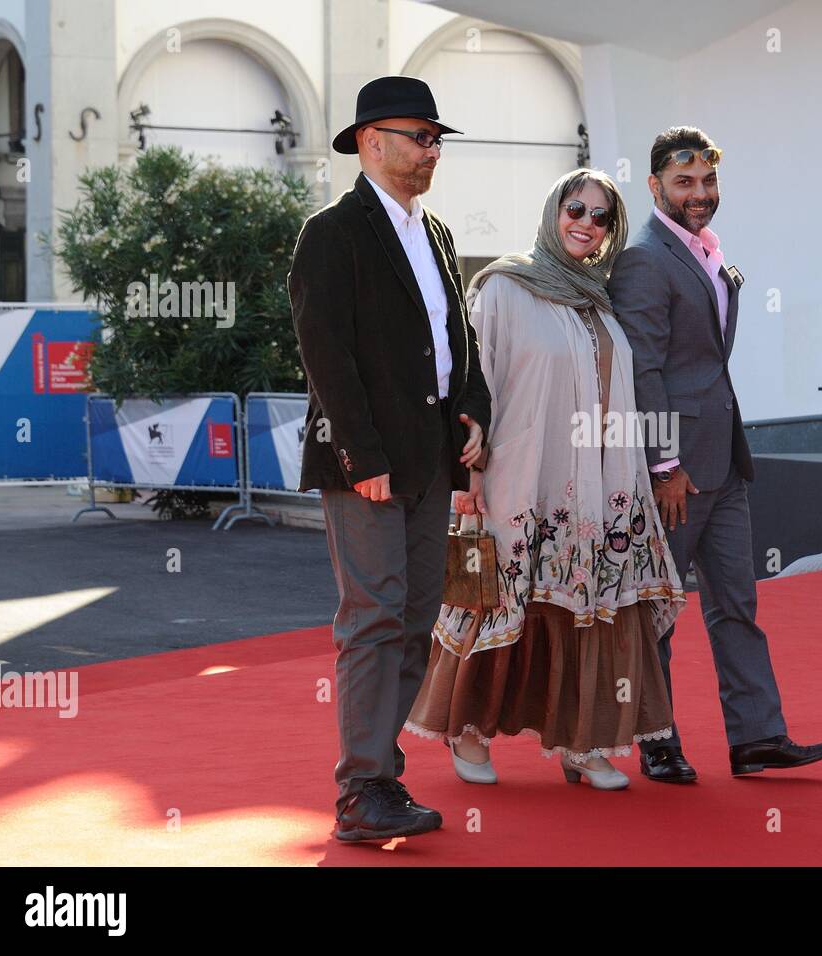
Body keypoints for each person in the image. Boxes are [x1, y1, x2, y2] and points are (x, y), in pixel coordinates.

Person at [405, 168, 686, 791]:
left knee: (587, 605)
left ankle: (583, 743)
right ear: (552, 212)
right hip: (518, 479)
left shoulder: (601, 300)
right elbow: (474, 387)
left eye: (601, 216)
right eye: (575, 208)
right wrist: (469, 471)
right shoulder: (505, 287)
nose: (586, 223)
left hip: (600, 482)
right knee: (498, 600)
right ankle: (469, 731)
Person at [289, 76, 491, 842]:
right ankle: (362, 789)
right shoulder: (332, 233)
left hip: (431, 457)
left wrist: (476, 413)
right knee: (373, 617)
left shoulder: (434, 232)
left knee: (412, 619)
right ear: (372, 141)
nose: (432, 149)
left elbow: (457, 340)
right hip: (365, 461)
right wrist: (359, 452)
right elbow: (325, 353)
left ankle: (381, 771)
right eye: (420, 135)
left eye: (437, 138)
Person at [607, 126, 822, 782]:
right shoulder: (645, 258)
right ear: (655, 187)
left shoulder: (704, 249)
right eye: (685, 182)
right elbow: (642, 369)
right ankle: (656, 738)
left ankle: (758, 737)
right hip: (676, 471)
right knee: (657, 611)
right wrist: (662, 465)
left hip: (725, 460)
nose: (700, 193)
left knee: (737, 605)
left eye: (708, 181)